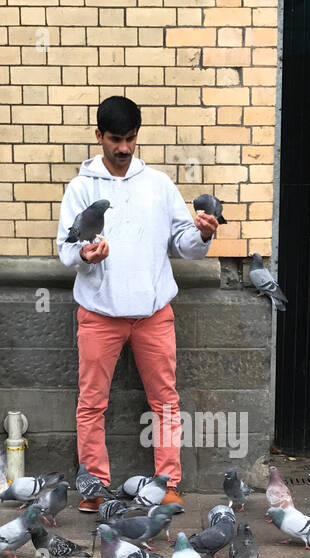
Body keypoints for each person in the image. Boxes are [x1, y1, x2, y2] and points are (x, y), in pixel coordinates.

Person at [56, 95, 220, 512]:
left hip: (153, 314)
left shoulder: (159, 185)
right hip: (98, 312)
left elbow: (183, 246)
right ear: (99, 136)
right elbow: (65, 248)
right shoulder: (81, 187)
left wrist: (202, 234)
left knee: (165, 402)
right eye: (115, 139)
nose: (124, 148)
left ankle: (166, 483)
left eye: (130, 139)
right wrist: (84, 257)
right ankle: (94, 488)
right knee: (91, 403)